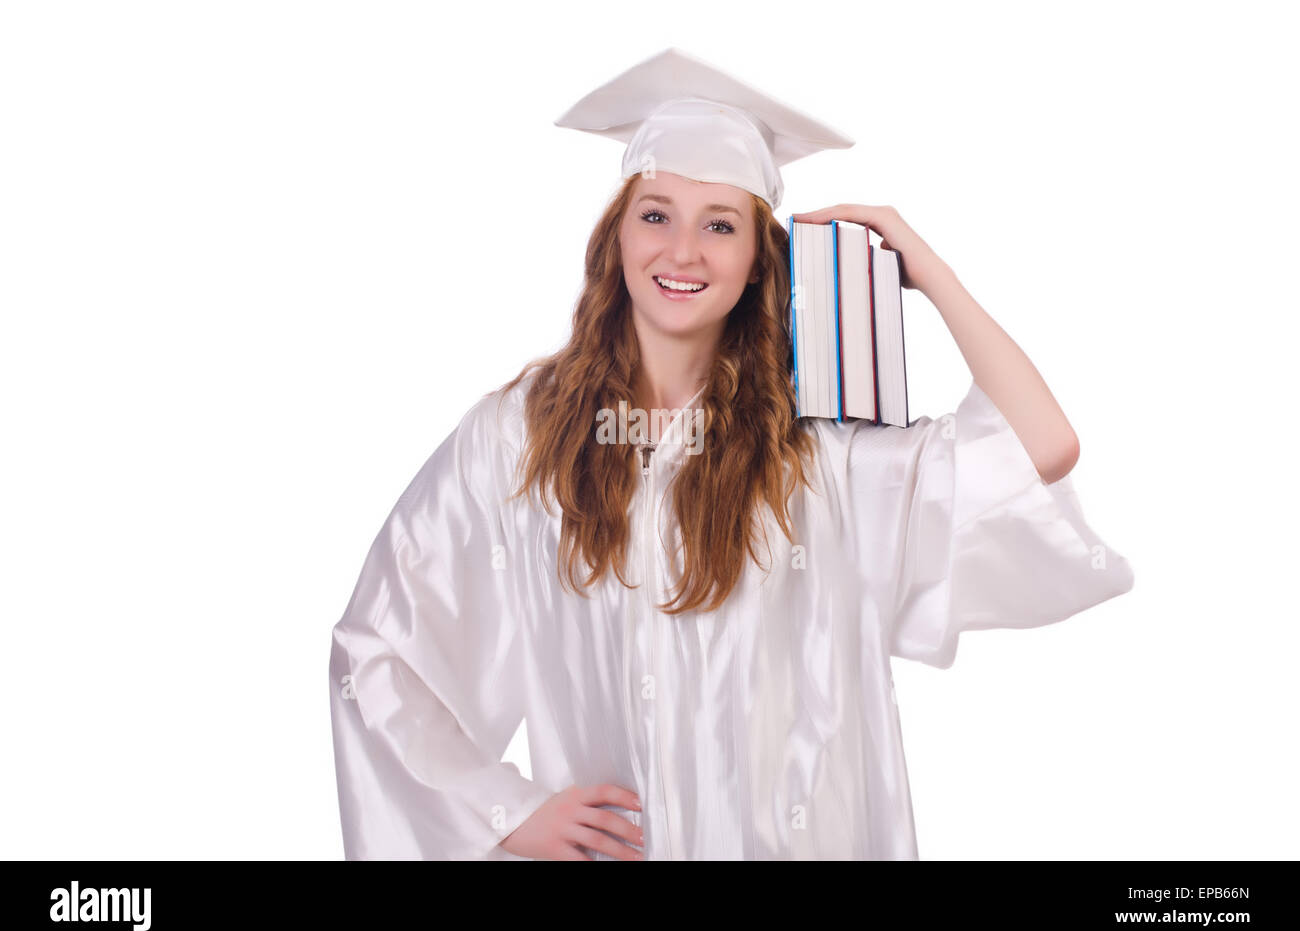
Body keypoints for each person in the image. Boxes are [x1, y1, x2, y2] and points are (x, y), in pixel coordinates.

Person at [327, 48, 1135, 861]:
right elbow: (377, 652)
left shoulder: (822, 460)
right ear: (616, 236)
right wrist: (502, 809)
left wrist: (925, 268)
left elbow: (1043, 448)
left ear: (757, 263)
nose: (682, 252)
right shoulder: (521, 440)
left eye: (720, 224)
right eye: (655, 214)